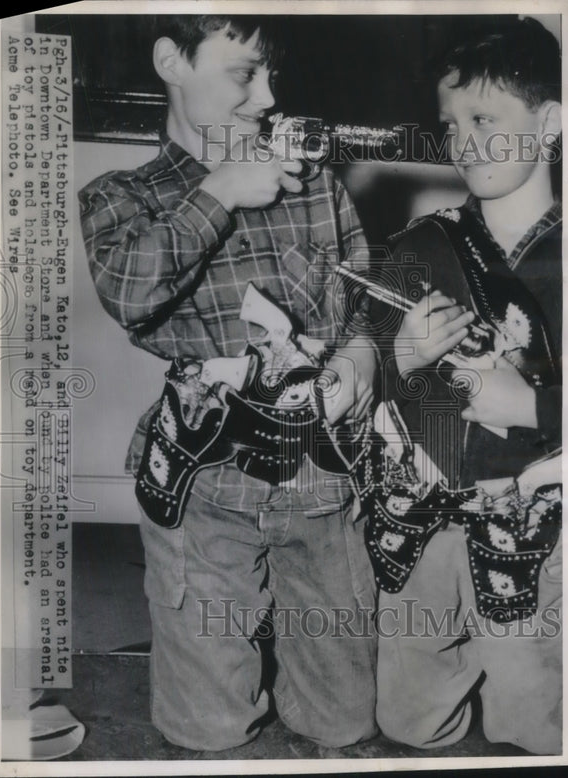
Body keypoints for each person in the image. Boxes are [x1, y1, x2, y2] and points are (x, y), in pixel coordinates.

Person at [79, 15, 380, 751]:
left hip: (320, 470)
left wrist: (365, 355)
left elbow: (368, 291)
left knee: (345, 723)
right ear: (170, 62)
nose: (268, 95)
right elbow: (130, 292)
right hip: (203, 474)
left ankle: (272, 649)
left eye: (272, 74)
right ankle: (210, 651)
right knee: (208, 729)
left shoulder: (312, 185)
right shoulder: (122, 195)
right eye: (247, 73)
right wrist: (218, 193)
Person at [371, 18, 563, 754]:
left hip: (539, 525)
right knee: (407, 724)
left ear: (547, 122)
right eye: (451, 123)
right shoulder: (421, 244)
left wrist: (536, 406)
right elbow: (379, 389)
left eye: (485, 118)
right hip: (431, 511)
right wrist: (404, 358)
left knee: (530, 727)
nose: (463, 141)